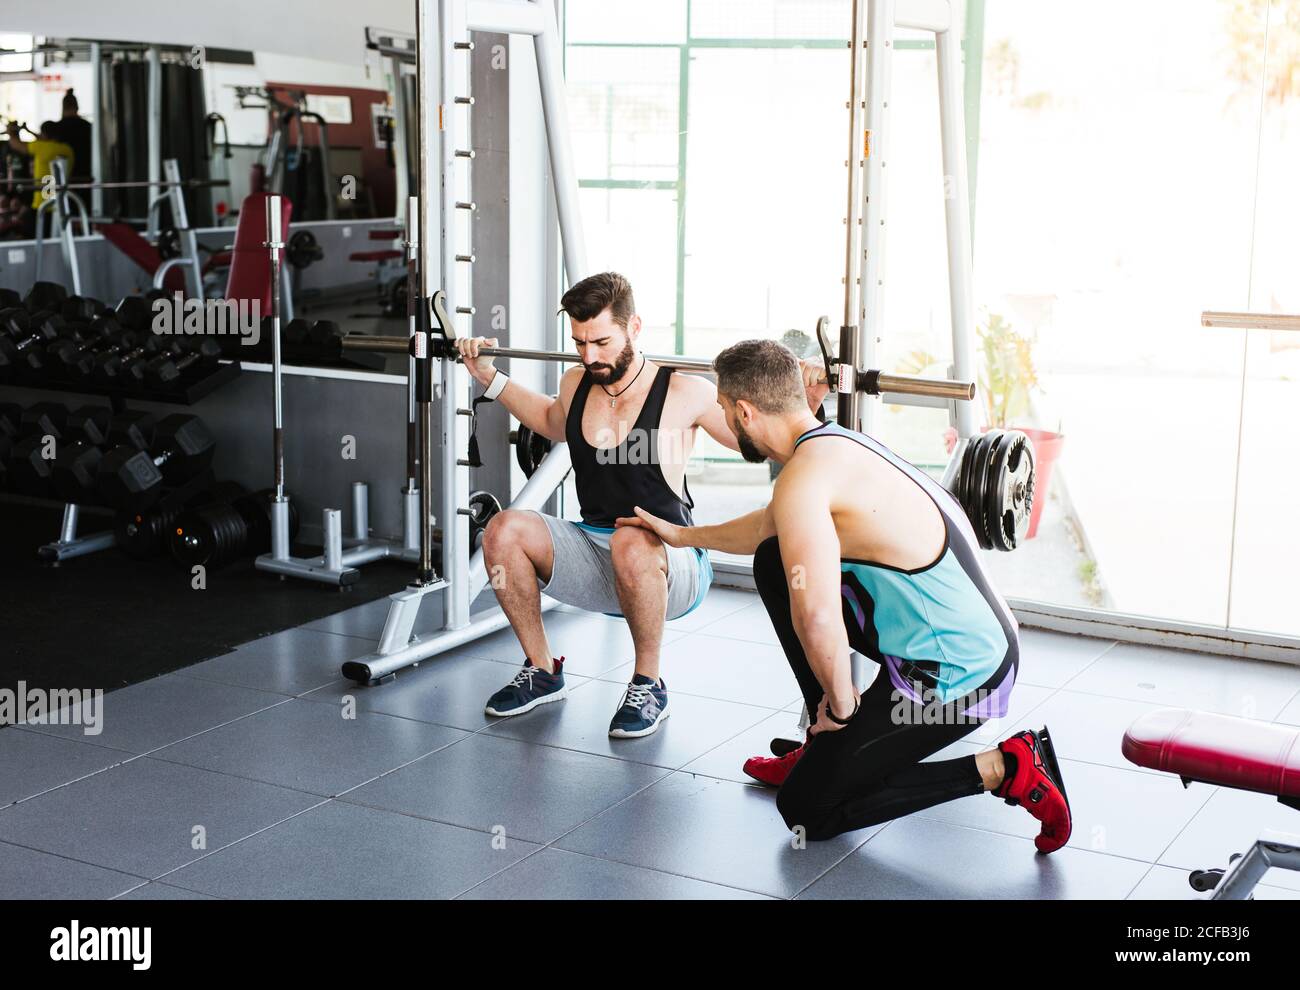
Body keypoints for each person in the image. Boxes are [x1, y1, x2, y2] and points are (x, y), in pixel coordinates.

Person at [617, 339, 1072, 852]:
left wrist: (841, 704)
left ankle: (1007, 768)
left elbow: (816, 617)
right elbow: (768, 528)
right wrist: (683, 536)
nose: (723, 419)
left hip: (963, 673)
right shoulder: (829, 445)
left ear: (745, 411)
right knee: (772, 558)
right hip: (947, 640)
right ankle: (826, 749)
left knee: (808, 809)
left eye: (724, 409)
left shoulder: (803, 480)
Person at [453, 272, 825, 737]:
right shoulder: (577, 384)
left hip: (672, 561)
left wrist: (807, 401)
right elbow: (551, 421)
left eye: (602, 342)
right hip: (595, 551)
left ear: (635, 327)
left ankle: (649, 683)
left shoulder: (685, 392)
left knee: (632, 538)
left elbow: (767, 443)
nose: (590, 356)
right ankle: (543, 669)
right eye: (580, 342)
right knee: (503, 529)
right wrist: (489, 376)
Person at [5, 120, 74, 238]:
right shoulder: (67, 149)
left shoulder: (41, 147)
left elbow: (16, 144)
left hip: (42, 205)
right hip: (62, 203)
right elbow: (44, 139)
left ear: (44, 135)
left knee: (36, 237)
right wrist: (28, 131)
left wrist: (10, 132)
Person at [49, 90, 92, 184]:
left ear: (63, 107)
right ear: (77, 106)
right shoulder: (88, 126)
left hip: (63, 175)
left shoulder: (56, 128)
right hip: (86, 173)